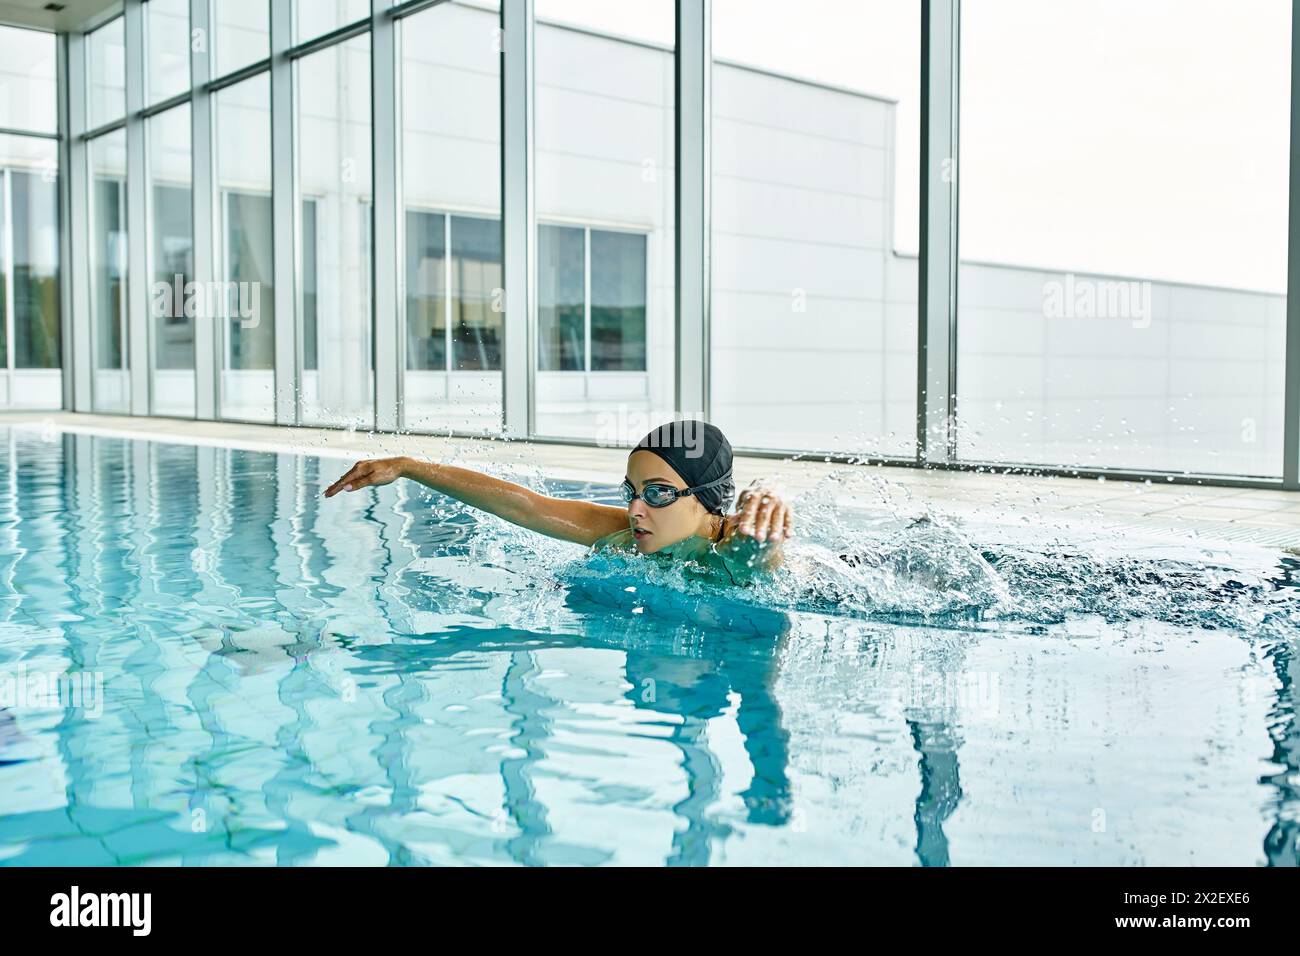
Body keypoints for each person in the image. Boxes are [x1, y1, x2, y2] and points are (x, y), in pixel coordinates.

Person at [323, 420, 792, 585]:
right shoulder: (626, 538)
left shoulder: (733, 552)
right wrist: (409, 466)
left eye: (656, 494)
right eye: (632, 493)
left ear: (708, 502)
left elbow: (759, 555)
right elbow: (526, 506)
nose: (635, 510)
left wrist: (768, 504)